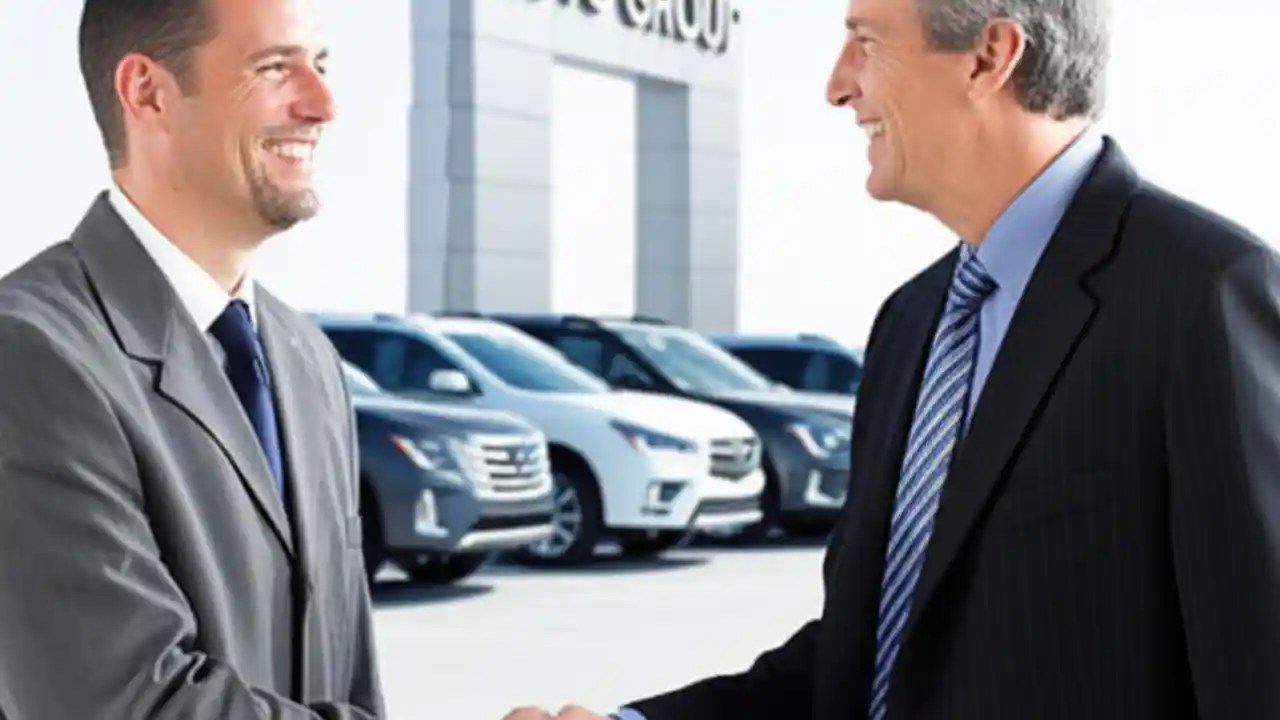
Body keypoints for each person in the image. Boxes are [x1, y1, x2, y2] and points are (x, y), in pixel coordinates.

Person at [504, 0, 1280, 717]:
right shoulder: (911, 321)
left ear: (989, 56)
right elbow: (865, 656)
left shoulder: (1202, 295)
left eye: (866, 42)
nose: (838, 86)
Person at [0, 0, 384, 717]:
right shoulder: (30, 356)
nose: (323, 103)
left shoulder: (310, 362)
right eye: (275, 67)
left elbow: (351, 677)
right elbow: (125, 705)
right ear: (148, 92)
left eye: (321, 65)